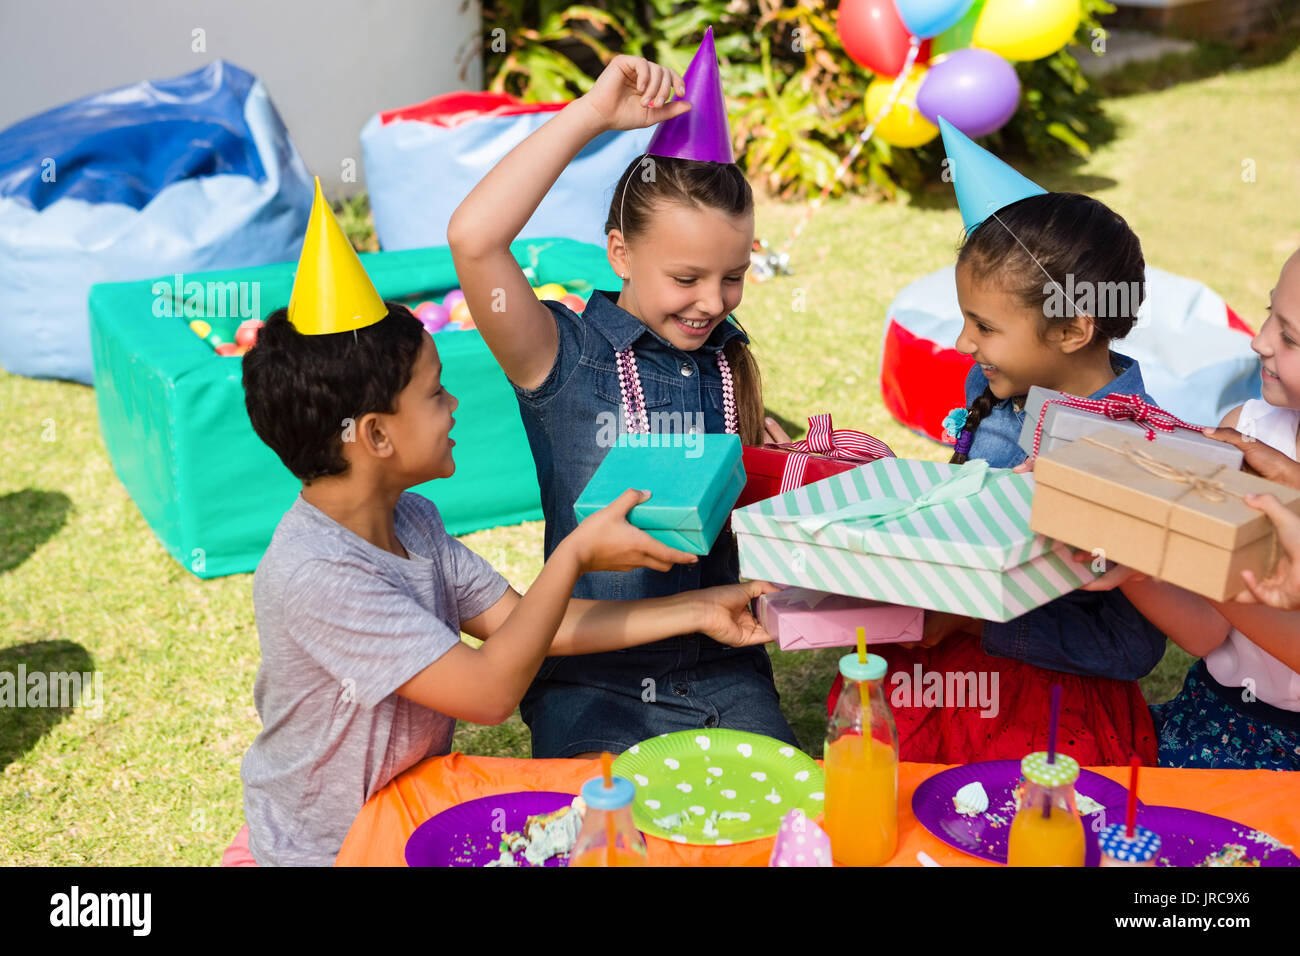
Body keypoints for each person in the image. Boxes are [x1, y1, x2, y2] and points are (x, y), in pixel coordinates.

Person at [225, 181, 777, 866]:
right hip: (328, 850)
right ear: (373, 436)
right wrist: (573, 556)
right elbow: (490, 693)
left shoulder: (411, 519)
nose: (454, 404)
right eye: (434, 393)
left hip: (410, 805)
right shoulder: (318, 574)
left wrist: (698, 608)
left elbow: (531, 626)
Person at [448, 37, 799, 758]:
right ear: (620, 254)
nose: (712, 301)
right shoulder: (562, 355)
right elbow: (474, 239)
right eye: (687, 277)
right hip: (592, 682)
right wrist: (591, 115)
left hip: (725, 667)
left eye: (732, 276)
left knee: (784, 826)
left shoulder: (725, 358)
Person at [830, 120, 1169, 766]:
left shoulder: (1133, 447)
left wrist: (973, 617)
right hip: (945, 677)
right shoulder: (992, 383)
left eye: (982, 326)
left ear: (1072, 329)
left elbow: (1133, 646)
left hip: (1049, 712)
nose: (963, 344)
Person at [1088, 248, 1300, 769]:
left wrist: (1207, 562)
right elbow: (1207, 633)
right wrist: (1139, 568)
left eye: (1291, 337)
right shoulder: (1248, 431)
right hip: (1218, 718)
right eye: (1270, 312)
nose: (1259, 340)